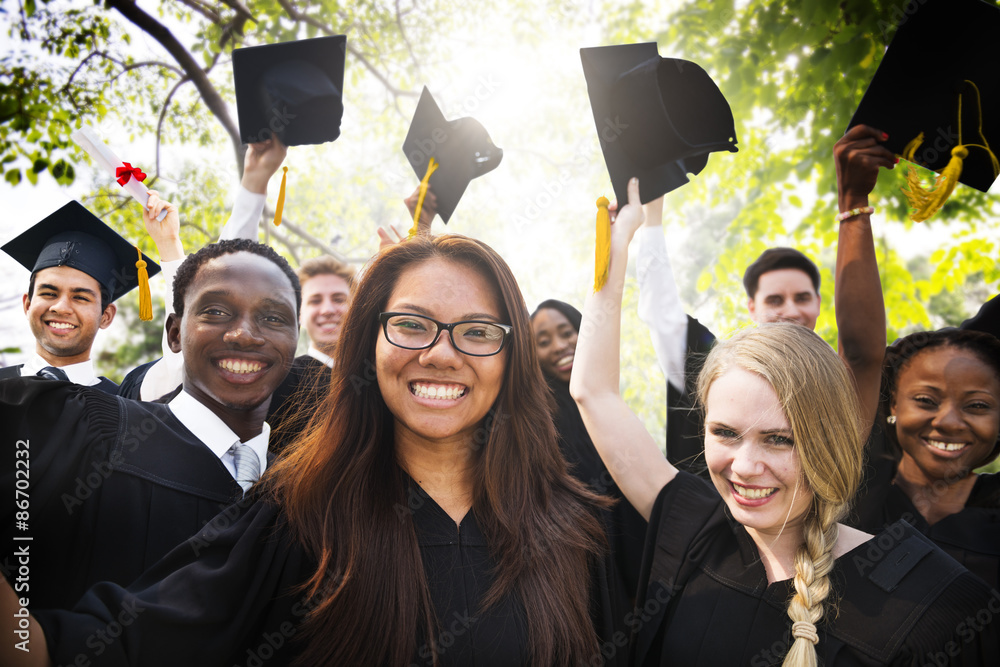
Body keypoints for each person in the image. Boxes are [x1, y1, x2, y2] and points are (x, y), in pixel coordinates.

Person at [2, 234, 625, 667]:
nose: (442, 352)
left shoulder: (576, 529)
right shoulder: (300, 515)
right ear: (366, 347)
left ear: (511, 355)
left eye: (478, 331)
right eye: (410, 324)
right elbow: (105, 644)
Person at [570, 178, 999, 666]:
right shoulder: (696, 528)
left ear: (832, 441)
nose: (746, 467)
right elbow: (594, 392)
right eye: (725, 433)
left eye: (780, 440)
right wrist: (618, 246)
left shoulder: (936, 607)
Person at [0, 238, 300, 611]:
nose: (244, 333)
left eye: (273, 317)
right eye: (216, 311)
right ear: (174, 333)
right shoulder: (96, 430)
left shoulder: (302, 489)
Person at [638, 125, 890, 472]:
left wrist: (854, 203)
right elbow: (662, 315)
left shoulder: (833, 386)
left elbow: (862, 355)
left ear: (818, 303)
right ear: (752, 308)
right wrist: (650, 216)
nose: (790, 311)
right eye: (775, 300)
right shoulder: (716, 367)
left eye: (801, 297)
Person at [849, 327, 1000, 588]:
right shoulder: (852, 498)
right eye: (925, 400)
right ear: (894, 403)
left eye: (977, 405)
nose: (949, 422)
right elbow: (861, 356)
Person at [530, 299, 646, 602]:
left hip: (637, 551)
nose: (558, 345)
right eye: (543, 341)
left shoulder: (609, 405)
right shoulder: (538, 421)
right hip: (580, 565)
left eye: (567, 332)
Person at [0, 196, 177, 392]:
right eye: (49, 293)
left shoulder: (124, 406)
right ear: (27, 304)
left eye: (80, 297)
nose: (60, 307)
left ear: (106, 316)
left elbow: (184, 360)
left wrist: (169, 244)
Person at [266, 255, 354, 453]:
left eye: (339, 299)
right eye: (315, 301)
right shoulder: (280, 379)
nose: (328, 310)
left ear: (357, 308)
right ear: (299, 315)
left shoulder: (381, 376)